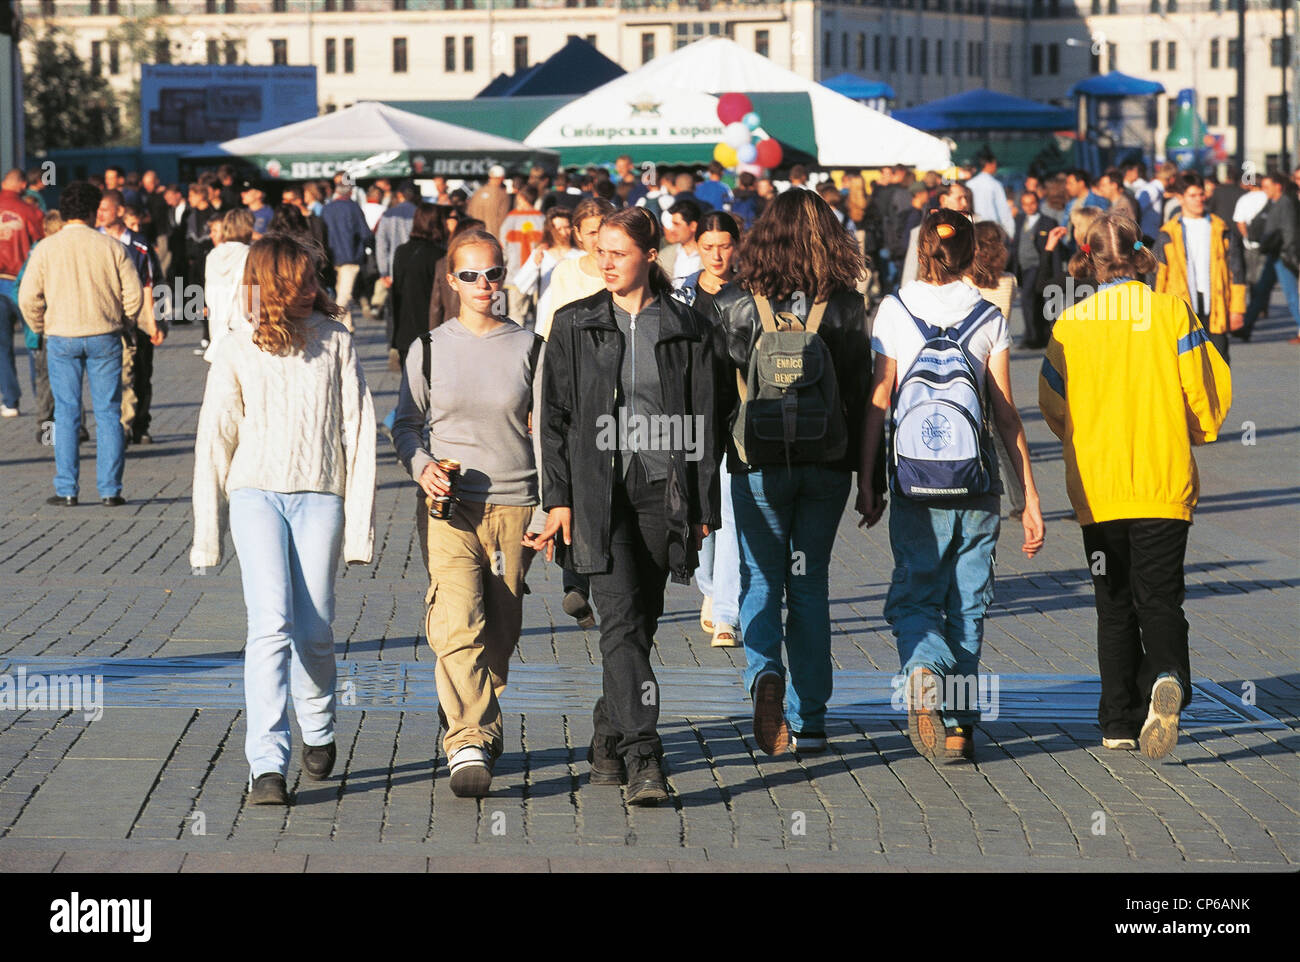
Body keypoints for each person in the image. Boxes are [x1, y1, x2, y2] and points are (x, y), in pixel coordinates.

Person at [527, 205, 719, 805]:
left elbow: (707, 423)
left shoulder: (688, 328)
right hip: (597, 494)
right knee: (620, 621)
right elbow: (553, 421)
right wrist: (555, 500)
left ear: (650, 258)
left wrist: (704, 505)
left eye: (620, 252)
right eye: (601, 251)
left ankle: (607, 737)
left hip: (665, 492)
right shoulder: (573, 323)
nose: (606, 262)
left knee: (641, 621)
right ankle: (644, 757)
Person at [191, 234, 376, 805]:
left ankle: (318, 725)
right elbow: (214, 440)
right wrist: (207, 535)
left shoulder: (337, 341)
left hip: (320, 493)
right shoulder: (236, 346)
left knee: (315, 629)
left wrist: (360, 527)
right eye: (297, 282)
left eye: (312, 280)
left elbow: (359, 430)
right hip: (254, 494)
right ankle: (266, 764)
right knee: (269, 626)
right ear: (271, 284)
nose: (309, 290)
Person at [1039, 212, 1230, 758]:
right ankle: (1166, 676)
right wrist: (1199, 429)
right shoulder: (1172, 313)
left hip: (1098, 490)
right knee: (1161, 597)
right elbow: (1204, 391)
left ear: (1090, 259)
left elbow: (1052, 403)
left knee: (1113, 602)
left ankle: (1117, 721)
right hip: (1161, 480)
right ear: (1141, 255)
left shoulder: (1071, 324)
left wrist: (1082, 432)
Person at [862, 209, 1045, 764]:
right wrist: (1028, 499)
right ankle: (961, 729)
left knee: (915, 596)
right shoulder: (988, 316)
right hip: (977, 482)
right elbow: (1006, 414)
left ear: (920, 250)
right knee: (968, 606)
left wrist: (868, 480)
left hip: (915, 482)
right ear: (972, 254)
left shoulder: (893, 310)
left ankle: (922, 670)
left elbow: (879, 399)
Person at [712, 188, 876, 757]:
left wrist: (706, 478)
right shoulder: (848, 306)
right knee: (808, 584)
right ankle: (811, 718)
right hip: (827, 465)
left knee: (760, 580)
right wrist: (868, 478)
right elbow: (859, 393)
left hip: (756, 464)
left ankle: (764, 676)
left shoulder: (734, 303)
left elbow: (713, 396)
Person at [392, 228, 542, 797]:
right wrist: (422, 465)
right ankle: (468, 741)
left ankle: (473, 709)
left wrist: (552, 507)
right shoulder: (427, 348)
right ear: (451, 280)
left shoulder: (531, 346)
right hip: (449, 508)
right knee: (457, 621)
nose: (485, 285)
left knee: (499, 634)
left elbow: (549, 433)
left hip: (514, 503)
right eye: (471, 275)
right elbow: (405, 426)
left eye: (494, 273)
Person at [18, 181, 147, 506]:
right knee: (108, 413)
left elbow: (27, 296)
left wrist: (40, 325)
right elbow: (134, 295)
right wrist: (125, 321)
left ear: (63, 211)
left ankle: (67, 489)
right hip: (105, 334)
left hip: (61, 336)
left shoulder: (46, 247)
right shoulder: (112, 247)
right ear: (92, 212)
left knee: (66, 412)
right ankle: (110, 490)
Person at [676, 210, 743, 648]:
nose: (717, 255)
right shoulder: (681, 296)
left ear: (737, 245)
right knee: (700, 510)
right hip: (693, 417)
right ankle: (708, 585)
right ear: (695, 246)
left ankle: (726, 612)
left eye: (725, 245)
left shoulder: (753, 293)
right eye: (708, 246)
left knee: (734, 514)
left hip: (739, 415)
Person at [965, 221, 1026, 519]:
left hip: (968, 366)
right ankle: (1022, 498)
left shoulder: (963, 284)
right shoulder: (1009, 281)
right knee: (1006, 435)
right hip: (997, 364)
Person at [1152, 172, 1246, 364]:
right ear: (1180, 198)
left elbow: (1236, 270)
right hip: (1181, 305)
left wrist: (1237, 308)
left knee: (1220, 361)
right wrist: (1156, 312)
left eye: (1201, 194)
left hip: (1216, 302)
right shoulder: (1167, 234)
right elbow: (1158, 276)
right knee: (1187, 364)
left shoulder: (1221, 229)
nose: (1198, 200)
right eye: (1192, 196)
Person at [96, 188, 165, 445]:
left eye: (105, 209)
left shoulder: (139, 245)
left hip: (138, 316)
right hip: (106, 318)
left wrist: (154, 322)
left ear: (120, 211)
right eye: (98, 210)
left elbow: (150, 284)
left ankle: (140, 425)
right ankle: (117, 425)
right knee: (113, 374)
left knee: (142, 372)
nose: (100, 214)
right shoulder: (95, 241)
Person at [534, 197, 614, 342]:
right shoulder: (565, 271)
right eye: (592, 233)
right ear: (577, 233)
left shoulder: (624, 271)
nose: (599, 239)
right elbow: (553, 322)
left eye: (604, 231)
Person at [1, 167, 45, 417]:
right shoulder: (29, 211)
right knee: (34, 342)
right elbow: (41, 243)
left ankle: (10, 401)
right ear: (20, 186)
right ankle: (42, 401)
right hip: (22, 282)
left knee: (1, 346)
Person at [1239, 171, 1300, 343]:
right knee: (1260, 290)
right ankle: (1246, 326)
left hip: (1281, 254)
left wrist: (1289, 252)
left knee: (1290, 294)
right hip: (1274, 254)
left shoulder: (1285, 203)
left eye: (1267, 186)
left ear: (1278, 186)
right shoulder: (1274, 202)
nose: (1263, 189)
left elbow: (1288, 230)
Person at [202, 208, 254, 363]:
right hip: (245, 325)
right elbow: (253, 293)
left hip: (218, 325)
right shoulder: (250, 254)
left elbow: (209, 293)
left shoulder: (212, 255)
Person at [512, 205, 581, 319]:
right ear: (550, 230)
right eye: (558, 229)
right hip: (546, 316)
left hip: (574, 316)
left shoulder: (580, 254)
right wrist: (535, 263)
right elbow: (522, 285)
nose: (563, 233)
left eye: (567, 227)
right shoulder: (542, 254)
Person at [1011, 189, 1059, 349]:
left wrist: (1055, 271)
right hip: (1023, 266)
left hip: (1038, 265)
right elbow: (1017, 243)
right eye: (1025, 204)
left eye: (1032, 203)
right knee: (1036, 302)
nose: (1029, 207)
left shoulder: (1048, 221)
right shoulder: (1019, 220)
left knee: (1027, 300)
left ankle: (1031, 336)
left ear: (1037, 203)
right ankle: (1041, 335)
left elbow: (1055, 251)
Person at [321, 182, 372, 327]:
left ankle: (348, 326)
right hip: (350, 255)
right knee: (345, 294)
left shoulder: (327, 209)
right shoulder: (353, 208)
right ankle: (334, 323)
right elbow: (365, 233)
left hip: (331, 256)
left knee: (340, 291)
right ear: (350, 192)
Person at [901, 181, 972, 285]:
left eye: (966, 198)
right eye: (959, 198)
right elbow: (910, 271)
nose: (965, 203)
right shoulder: (922, 232)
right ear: (943, 199)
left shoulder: (975, 227)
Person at [498, 184, 545, 328]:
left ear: (521, 198)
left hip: (515, 275)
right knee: (540, 316)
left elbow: (502, 246)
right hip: (538, 275)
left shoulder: (511, 219)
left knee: (516, 316)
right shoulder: (542, 219)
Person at [966, 152, 1015, 236]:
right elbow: (1003, 210)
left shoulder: (969, 184)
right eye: (995, 164)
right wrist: (1010, 231)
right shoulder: (995, 184)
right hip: (992, 228)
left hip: (974, 227)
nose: (996, 167)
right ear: (990, 164)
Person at [658, 198, 701, 286]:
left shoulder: (710, 257)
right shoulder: (664, 256)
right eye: (672, 224)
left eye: (677, 224)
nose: (672, 229)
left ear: (693, 226)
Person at [466, 165, 513, 238]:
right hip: (493, 236)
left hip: (475, 235)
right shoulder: (503, 195)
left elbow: (469, 213)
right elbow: (504, 219)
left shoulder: (477, 193)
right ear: (502, 178)